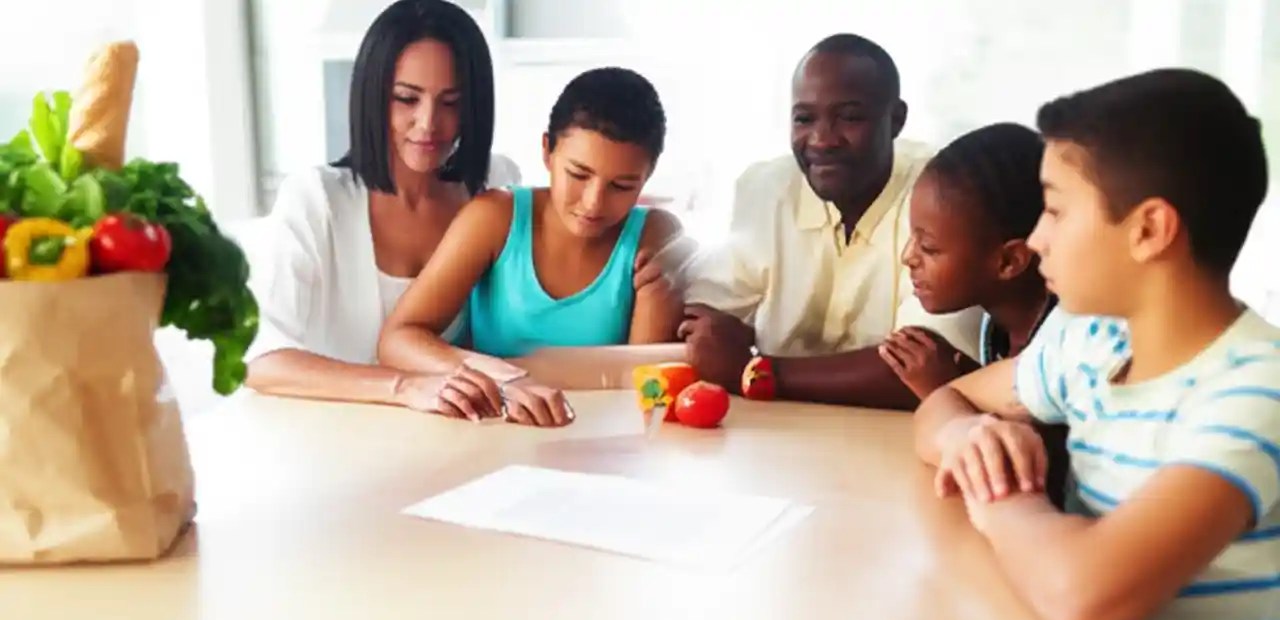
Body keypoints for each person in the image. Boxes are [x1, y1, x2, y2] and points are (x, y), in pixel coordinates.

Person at [913, 69, 1277, 620]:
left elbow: (1084, 594)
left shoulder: (1255, 391)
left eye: (1054, 209)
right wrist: (967, 437)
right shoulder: (1092, 343)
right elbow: (944, 403)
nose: (1038, 237)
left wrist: (998, 496)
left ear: (1148, 230)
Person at [241, 0, 526, 411]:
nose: (428, 123)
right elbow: (260, 359)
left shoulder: (495, 186)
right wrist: (404, 387)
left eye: (450, 103)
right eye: (407, 99)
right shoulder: (316, 199)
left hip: (459, 441)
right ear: (372, 95)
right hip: (335, 445)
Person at [680, 33, 982, 410]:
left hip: (896, 444)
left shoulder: (941, 194)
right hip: (774, 438)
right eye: (804, 118)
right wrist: (718, 340)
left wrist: (756, 372)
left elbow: (923, 369)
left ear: (896, 120)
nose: (821, 140)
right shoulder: (768, 188)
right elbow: (703, 320)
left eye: (850, 117)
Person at [378, 67, 685, 427]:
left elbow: (641, 386)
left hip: (599, 441)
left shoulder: (653, 234)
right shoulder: (495, 218)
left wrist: (658, 294)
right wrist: (506, 378)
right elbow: (397, 339)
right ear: (547, 152)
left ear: (647, 176)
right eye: (578, 174)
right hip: (490, 431)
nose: (593, 203)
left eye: (622, 186)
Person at [882, 122, 1054, 400]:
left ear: (1009, 261)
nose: (908, 257)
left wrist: (948, 391)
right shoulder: (998, 328)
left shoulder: (1066, 346)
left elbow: (1044, 439)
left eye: (928, 247)